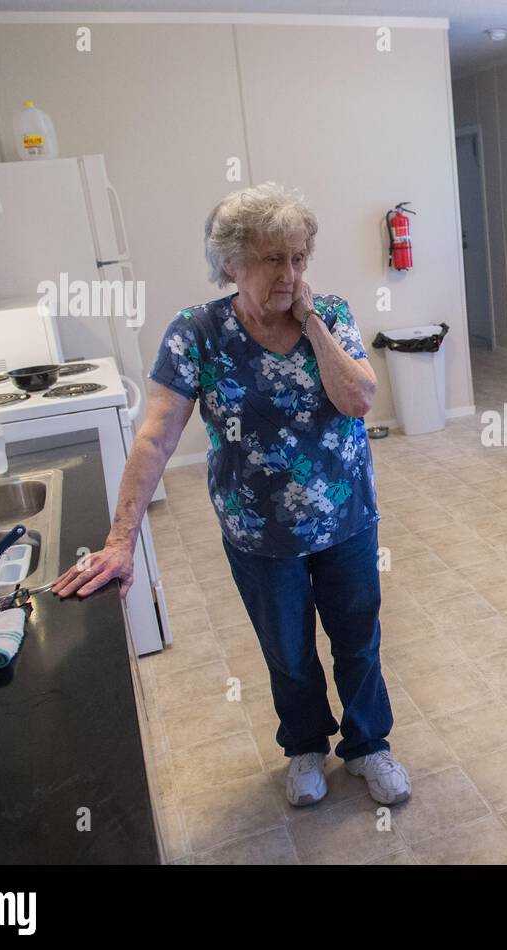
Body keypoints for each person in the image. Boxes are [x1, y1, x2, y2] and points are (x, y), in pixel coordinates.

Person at [53, 182, 409, 808]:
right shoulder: (197, 333)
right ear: (230, 264)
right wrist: (119, 541)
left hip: (347, 518)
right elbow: (157, 437)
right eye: (273, 259)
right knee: (288, 650)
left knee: (358, 638)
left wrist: (312, 325)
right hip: (260, 533)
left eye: (299, 257)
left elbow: (357, 399)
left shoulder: (331, 313)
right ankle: (304, 745)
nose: (290, 273)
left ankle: (368, 745)